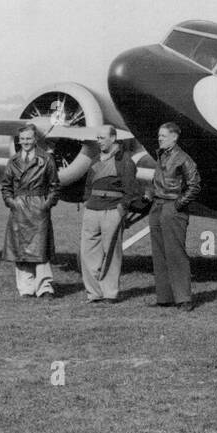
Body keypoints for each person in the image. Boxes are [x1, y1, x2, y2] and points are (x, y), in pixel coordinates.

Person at [79, 125, 144, 303]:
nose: (98, 141)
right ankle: (94, 293)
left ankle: (109, 293)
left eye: (102, 138)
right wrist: (87, 202)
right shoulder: (95, 160)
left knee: (111, 253)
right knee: (87, 253)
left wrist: (121, 209)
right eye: (98, 138)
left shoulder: (125, 161)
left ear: (113, 138)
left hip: (112, 211)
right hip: (92, 210)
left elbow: (131, 190)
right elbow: (88, 185)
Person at [0, 123, 60, 297]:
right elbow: (6, 186)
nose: (25, 142)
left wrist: (46, 205)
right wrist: (12, 202)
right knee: (21, 250)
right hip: (18, 208)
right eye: (23, 139)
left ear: (36, 140)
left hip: (38, 207)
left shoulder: (47, 159)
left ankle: (45, 288)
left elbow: (55, 186)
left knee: (40, 250)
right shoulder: (13, 161)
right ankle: (25, 289)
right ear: (19, 140)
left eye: (29, 139)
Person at [147, 121, 201, 311]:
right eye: (159, 135)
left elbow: (195, 186)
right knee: (159, 253)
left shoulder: (183, 158)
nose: (159, 138)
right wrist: (150, 194)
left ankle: (184, 299)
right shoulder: (161, 155)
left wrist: (177, 204)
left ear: (174, 137)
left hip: (172, 208)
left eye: (163, 135)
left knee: (175, 253)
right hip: (157, 206)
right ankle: (164, 298)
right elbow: (158, 180)